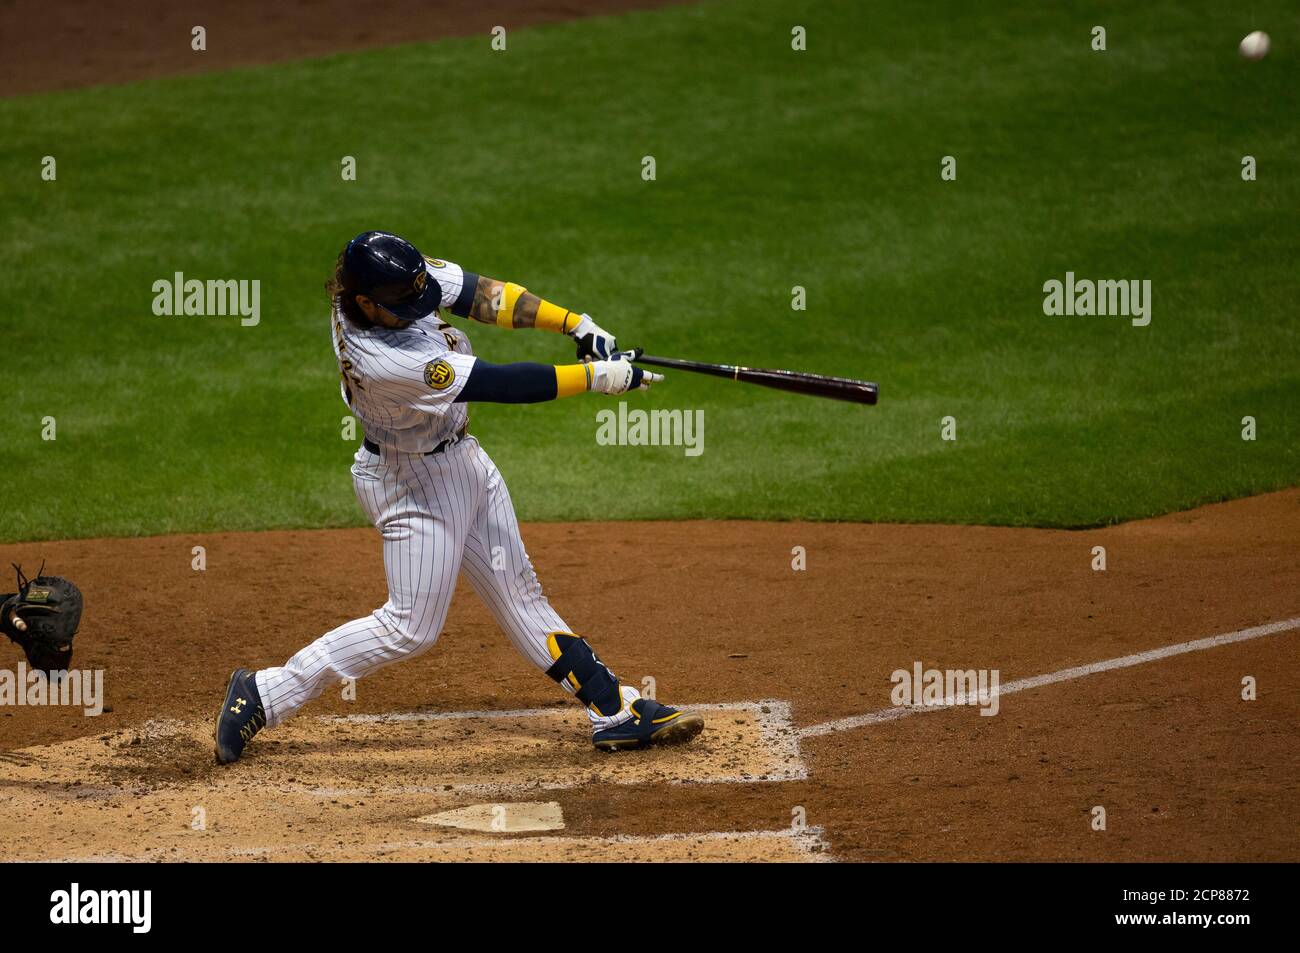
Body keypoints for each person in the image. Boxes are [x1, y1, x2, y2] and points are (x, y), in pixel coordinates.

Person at [213, 231, 704, 763]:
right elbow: (499, 384)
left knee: (519, 593)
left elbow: (481, 295)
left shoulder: (389, 284)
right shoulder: (383, 359)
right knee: (409, 628)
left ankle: (613, 710)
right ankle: (266, 692)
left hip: (461, 459)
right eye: (404, 307)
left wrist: (574, 323)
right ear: (365, 305)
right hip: (411, 485)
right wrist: (598, 377)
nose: (417, 309)